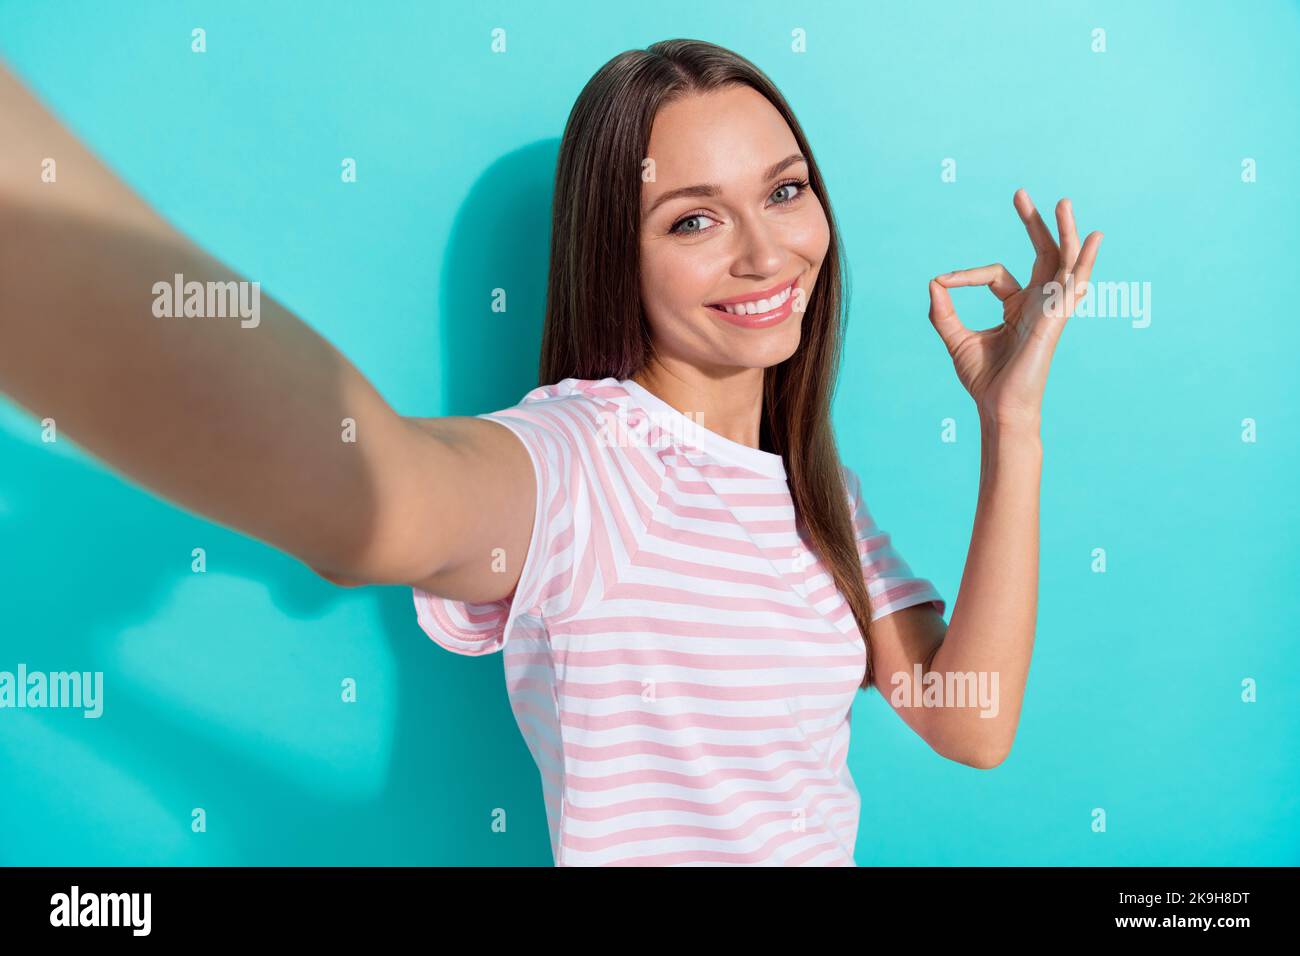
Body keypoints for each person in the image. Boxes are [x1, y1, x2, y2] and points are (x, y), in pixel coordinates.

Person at [0, 38, 1101, 866]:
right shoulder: (580, 459)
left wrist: (1010, 425)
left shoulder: (820, 497)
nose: (768, 248)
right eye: (692, 219)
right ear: (612, 255)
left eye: (783, 189)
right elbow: (372, 495)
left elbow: (970, 716)